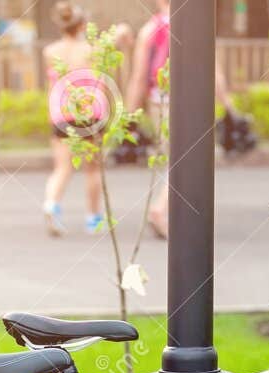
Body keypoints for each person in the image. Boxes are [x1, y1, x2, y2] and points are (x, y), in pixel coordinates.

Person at [123, 0, 235, 239]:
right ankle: (161, 209)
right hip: (191, 101)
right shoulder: (196, 25)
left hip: (158, 103)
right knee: (187, 159)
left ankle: (175, 213)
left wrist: (130, 117)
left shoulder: (148, 30)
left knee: (175, 157)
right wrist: (228, 105)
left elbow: (138, 77)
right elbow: (213, 71)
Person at [42, 2, 105, 236]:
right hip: (88, 114)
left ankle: (51, 204)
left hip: (61, 114)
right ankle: (93, 218)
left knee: (62, 167)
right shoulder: (91, 49)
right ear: (81, 24)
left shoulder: (50, 51)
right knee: (93, 169)